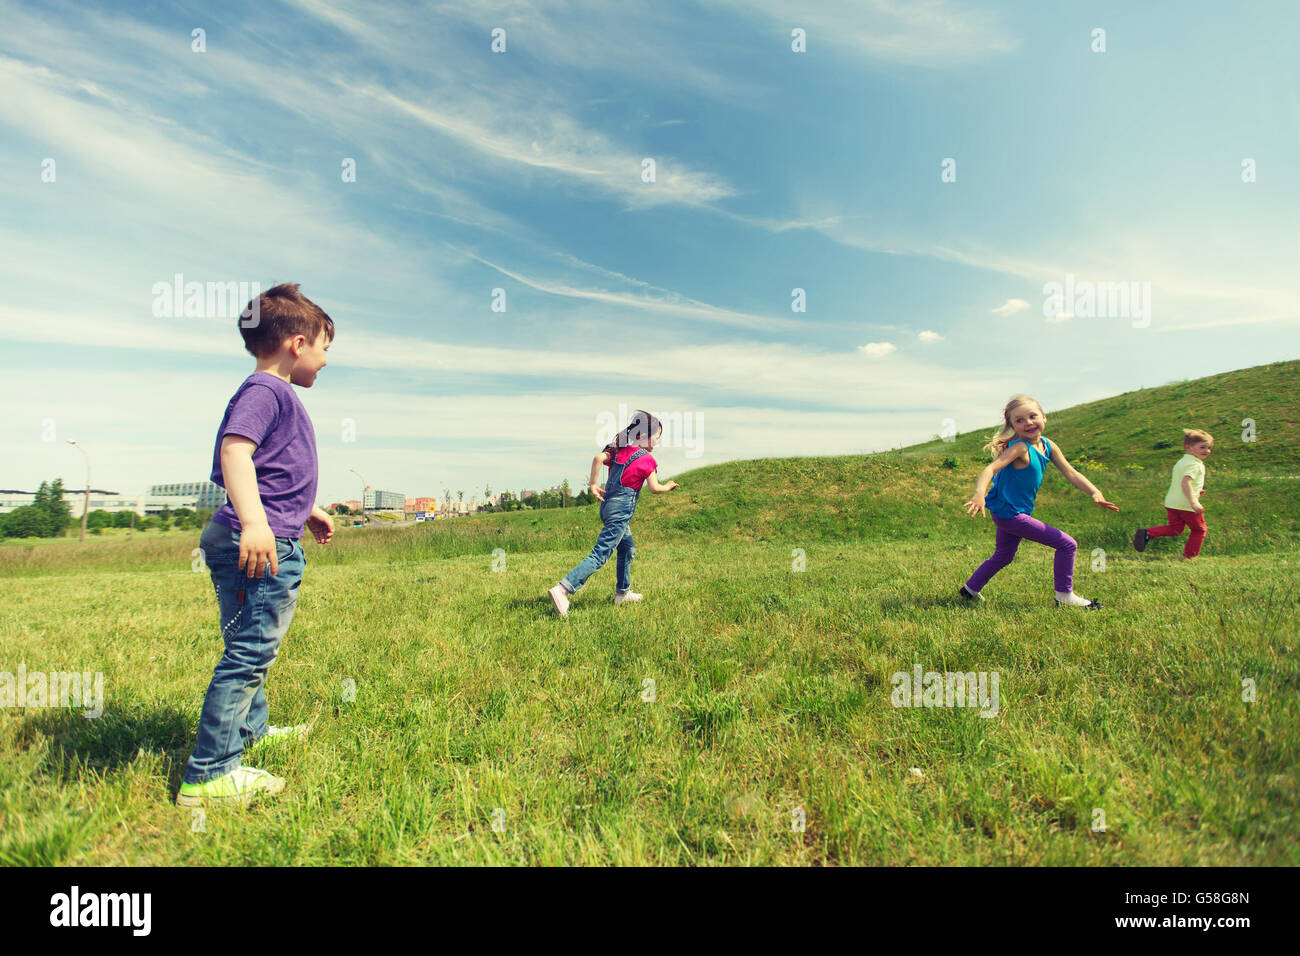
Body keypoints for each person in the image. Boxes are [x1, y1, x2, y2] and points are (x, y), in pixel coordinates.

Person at [177, 283, 336, 808]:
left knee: (245, 639)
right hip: (257, 541)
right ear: (297, 342)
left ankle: (251, 731)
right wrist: (257, 522)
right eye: (324, 347)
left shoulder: (264, 392)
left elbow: (261, 467)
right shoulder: (267, 391)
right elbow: (235, 455)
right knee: (250, 651)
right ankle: (209, 775)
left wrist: (303, 506)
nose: (326, 360)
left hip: (243, 532)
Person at [960, 394, 1118, 608]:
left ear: (1043, 417)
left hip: (1014, 512)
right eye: (1020, 420)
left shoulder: (1048, 445)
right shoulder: (1020, 448)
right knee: (1067, 544)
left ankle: (970, 590)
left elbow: (1070, 472)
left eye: (1032, 416)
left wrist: (1094, 492)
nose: (1028, 423)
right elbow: (990, 469)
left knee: (1003, 556)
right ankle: (1064, 596)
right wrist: (979, 494)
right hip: (1010, 514)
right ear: (1013, 426)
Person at [548, 410, 679, 617]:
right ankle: (563, 589)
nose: (658, 441)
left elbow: (597, 458)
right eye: (657, 436)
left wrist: (592, 484)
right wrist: (668, 486)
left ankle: (622, 593)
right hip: (621, 512)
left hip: (607, 507)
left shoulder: (619, 451)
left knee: (627, 547)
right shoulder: (646, 459)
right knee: (601, 553)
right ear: (643, 437)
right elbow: (654, 488)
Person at [1133, 428, 1212, 559]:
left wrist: (1197, 491)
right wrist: (1194, 502)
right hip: (1187, 505)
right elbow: (1186, 483)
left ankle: (1148, 533)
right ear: (1189, 447)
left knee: (1176, 528)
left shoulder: (1181, 462)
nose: (1207, 451)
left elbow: (1180, 482)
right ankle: (1189, 557)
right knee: (1199, 530)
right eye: (1202, 447)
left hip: (1172, 503)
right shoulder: (1195, 464)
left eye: (1209, 448)